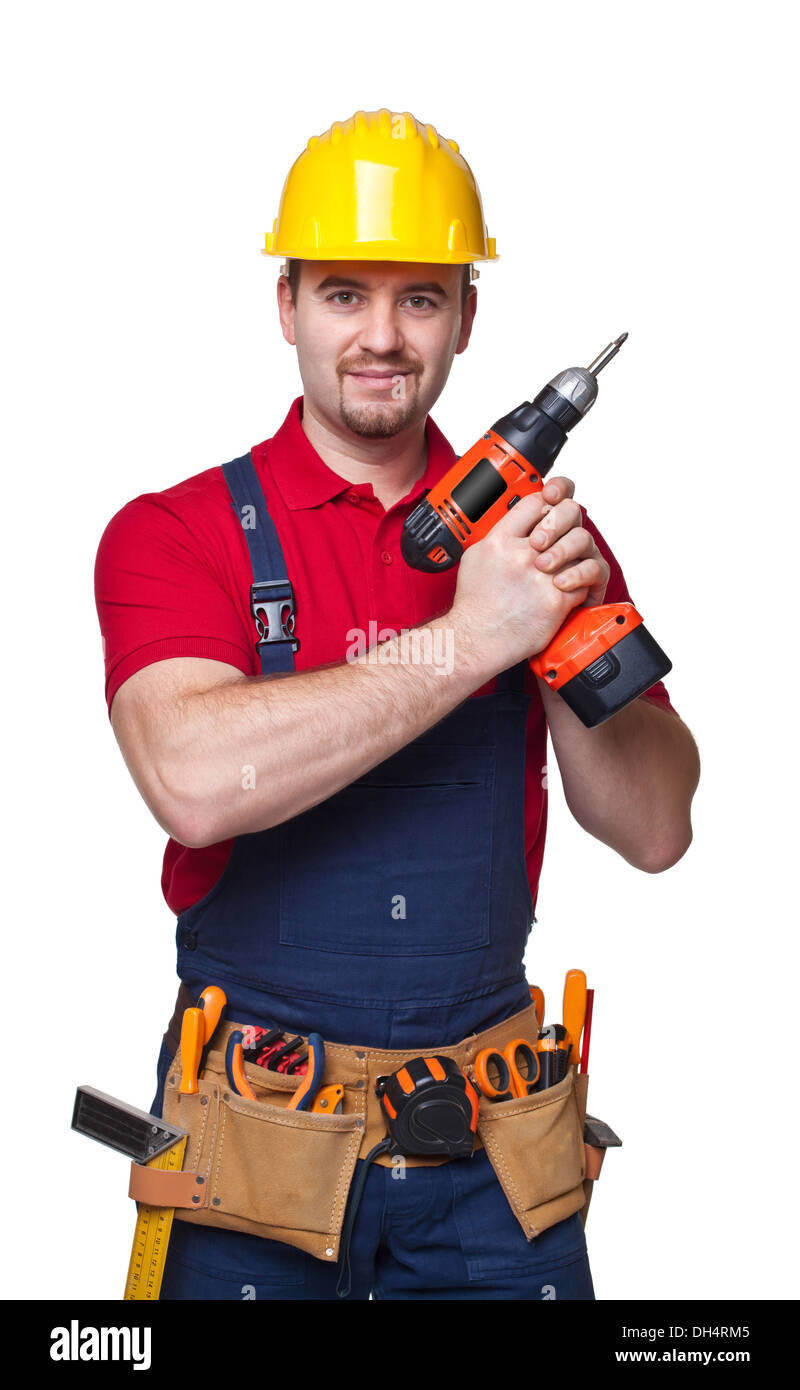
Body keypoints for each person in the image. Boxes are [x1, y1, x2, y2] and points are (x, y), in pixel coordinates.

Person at [95, 108, 700, 1300]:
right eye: (342, 295)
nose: (381, 337)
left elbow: (653, 829)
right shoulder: (174, 533)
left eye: (420, 297)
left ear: (466, 317)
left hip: (490, 1145)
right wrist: (468, 640)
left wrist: (562, 635)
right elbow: (195, 782)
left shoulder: (535, 547)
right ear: (287, 306)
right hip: (250, 1145)